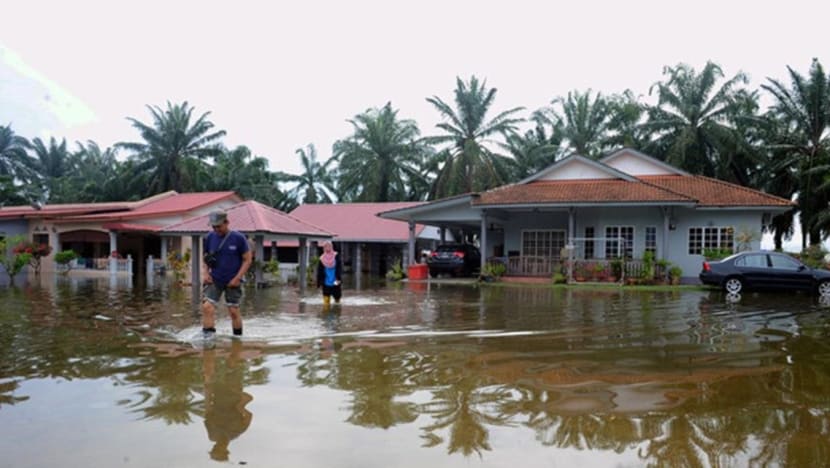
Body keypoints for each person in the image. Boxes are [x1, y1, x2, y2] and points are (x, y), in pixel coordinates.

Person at [202, 210, 252, 338]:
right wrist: (206, 273)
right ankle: (208, 338)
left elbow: (247, 259)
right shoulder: (209, 237)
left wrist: (237, 278)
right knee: (207, 307)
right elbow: (207, 257)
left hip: (233, 280)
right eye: (214, 227)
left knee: (233, 311)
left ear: (227, 222)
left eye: (219, 226)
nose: (216, 229)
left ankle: (237, 339)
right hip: (215, 279)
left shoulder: (239, 238)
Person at [316, 241, 342, 306]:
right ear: (323, 248)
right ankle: (326, 314)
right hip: (326, 281)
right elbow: (319, 271)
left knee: (337, 298)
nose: (327, 248)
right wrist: (318, 282)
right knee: (326, 300)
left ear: (332, 247)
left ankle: (336, 313)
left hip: (335, 280)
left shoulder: (336, 256)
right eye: (326, 246)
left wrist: (338, 278)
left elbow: (339, 268)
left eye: (329, 246)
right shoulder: (321, 258)